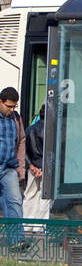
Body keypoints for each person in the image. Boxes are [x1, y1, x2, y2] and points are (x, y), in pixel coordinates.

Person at [0, 88, 26, 228]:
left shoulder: (16, 118)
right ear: (0, 101)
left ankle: (17, 240)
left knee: (15, 201)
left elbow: (21, 140)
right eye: (8, 106)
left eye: (14, 106)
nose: (11, 109)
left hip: (9, 167)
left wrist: (20, 168)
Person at [23, 105, 51, 225]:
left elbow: (22, 150)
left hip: (32, 166)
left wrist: (31, 166)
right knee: (45, 197)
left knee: (30, 195)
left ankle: (26, 224)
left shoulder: (29, 129)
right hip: (47, 167)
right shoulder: (52, 131)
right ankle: (40, 226)